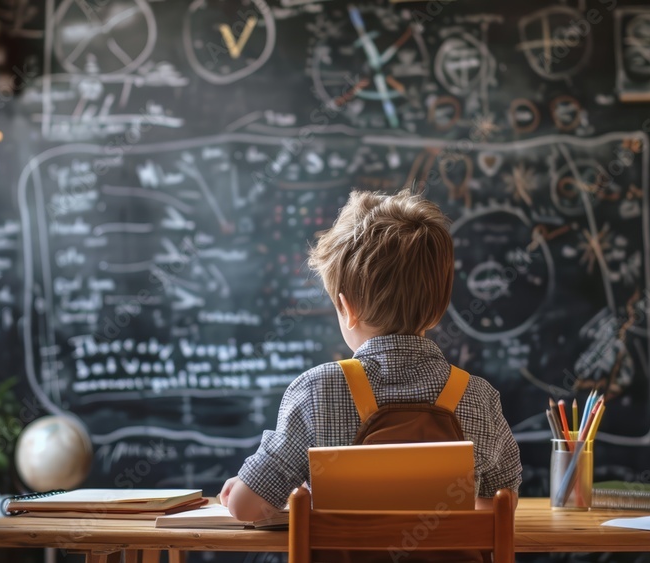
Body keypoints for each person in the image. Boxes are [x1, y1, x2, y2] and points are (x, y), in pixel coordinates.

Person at [219, 190, 522, 522]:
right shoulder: (478, 396)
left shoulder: (315, 392)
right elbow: (500, 504)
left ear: (347, 309)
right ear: (438, 311)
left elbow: (246, 508)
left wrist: (242, 487)